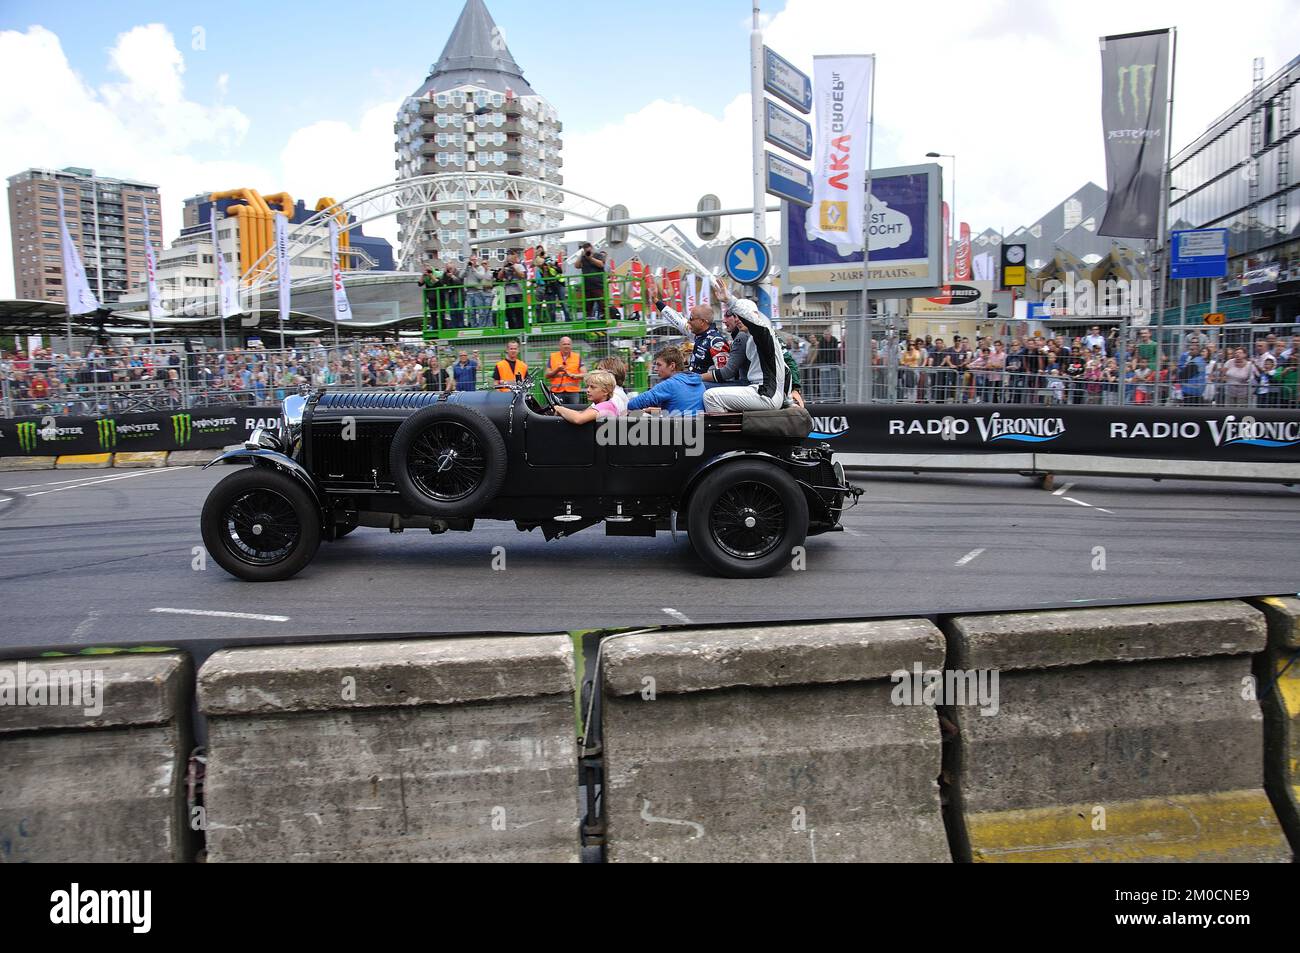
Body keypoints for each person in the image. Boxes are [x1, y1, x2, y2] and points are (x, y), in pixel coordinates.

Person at [701, 280, 788, 413]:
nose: (737, 319)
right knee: (712, 393)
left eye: (740, 316)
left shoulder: (764, 332)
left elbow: (751, 319)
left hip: (766, 393)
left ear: (754, 317)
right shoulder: (752, 337)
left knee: (710, 396)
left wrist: (729, 300)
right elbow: (786, 369)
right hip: (762, 390)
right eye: (735, 316)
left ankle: (725, 434)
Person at [648, 279, 730, 377]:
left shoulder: (716, 342)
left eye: (691, 318)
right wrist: (656, 301)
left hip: (707, 389)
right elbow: (677, 319)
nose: (688, 321)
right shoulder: (696, 334)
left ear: (702, 322)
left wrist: (696, 379)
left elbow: (724, 375)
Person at [626, 345, 704, 414]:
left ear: (672, 366)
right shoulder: (699, 382)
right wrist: (655, 410)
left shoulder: (670, 385)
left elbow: (633, 404)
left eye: (659, 365)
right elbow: (681, 409)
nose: (656, 369)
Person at [554, 370, 623, 424]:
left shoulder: (606, 406)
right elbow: (581, 413)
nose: (588, 390)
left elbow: (578, 419)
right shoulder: (600, 404)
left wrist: (559, 409)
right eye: (588, 386)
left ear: (605, 391)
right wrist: (562, 411)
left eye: (593, 387)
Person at [545, 336, 585, 405]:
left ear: (571, 346)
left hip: (573, 392)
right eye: (564, 344)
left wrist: (574, 375)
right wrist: (557, 370)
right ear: (560, 346)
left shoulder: (577, 357)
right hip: (557, 392)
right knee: (557, 413)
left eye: (568, 344)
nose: (566, 346)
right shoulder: (553, 357)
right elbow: (547, 375)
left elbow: (585, 374)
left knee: (574, 412)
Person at [575, 242, 607, 319]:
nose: (588, 252)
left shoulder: (598, 255)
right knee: (588, 304)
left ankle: (604, 316)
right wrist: (581, 256)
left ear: (592, 248)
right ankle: (588, 317)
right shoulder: (583, 257)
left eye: (589, 250)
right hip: (587, 285)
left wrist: (591, 258)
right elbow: (577, 266)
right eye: (586, 250)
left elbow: (601, 264)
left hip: (598, 284)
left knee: (601, 302)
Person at [498, 253, 527, 329]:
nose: (509, 261)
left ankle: (521, 327)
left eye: (511, 259)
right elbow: (499, 277)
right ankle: (512, 328)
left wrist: (514, 268)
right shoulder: (506, 267)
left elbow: (522, 276)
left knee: (519, 311)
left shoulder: (519, 266)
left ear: (515, 259)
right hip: (508, 292)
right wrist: (503, 268)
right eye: (508, 259)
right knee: (510, 312)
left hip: (518, 292)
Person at [463, 256, 491, 327]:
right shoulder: (467, 268)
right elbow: (461, 276)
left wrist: (473, 268)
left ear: (477, 260)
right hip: (469, 292)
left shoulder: (480, 268)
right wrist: (467, 268)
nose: (473, 261)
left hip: (478, 292)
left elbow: (480, 277)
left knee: (481, 311)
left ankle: (481, 326)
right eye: (471, 260)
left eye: (474, 260)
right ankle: (473, 326)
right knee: (471, 312)